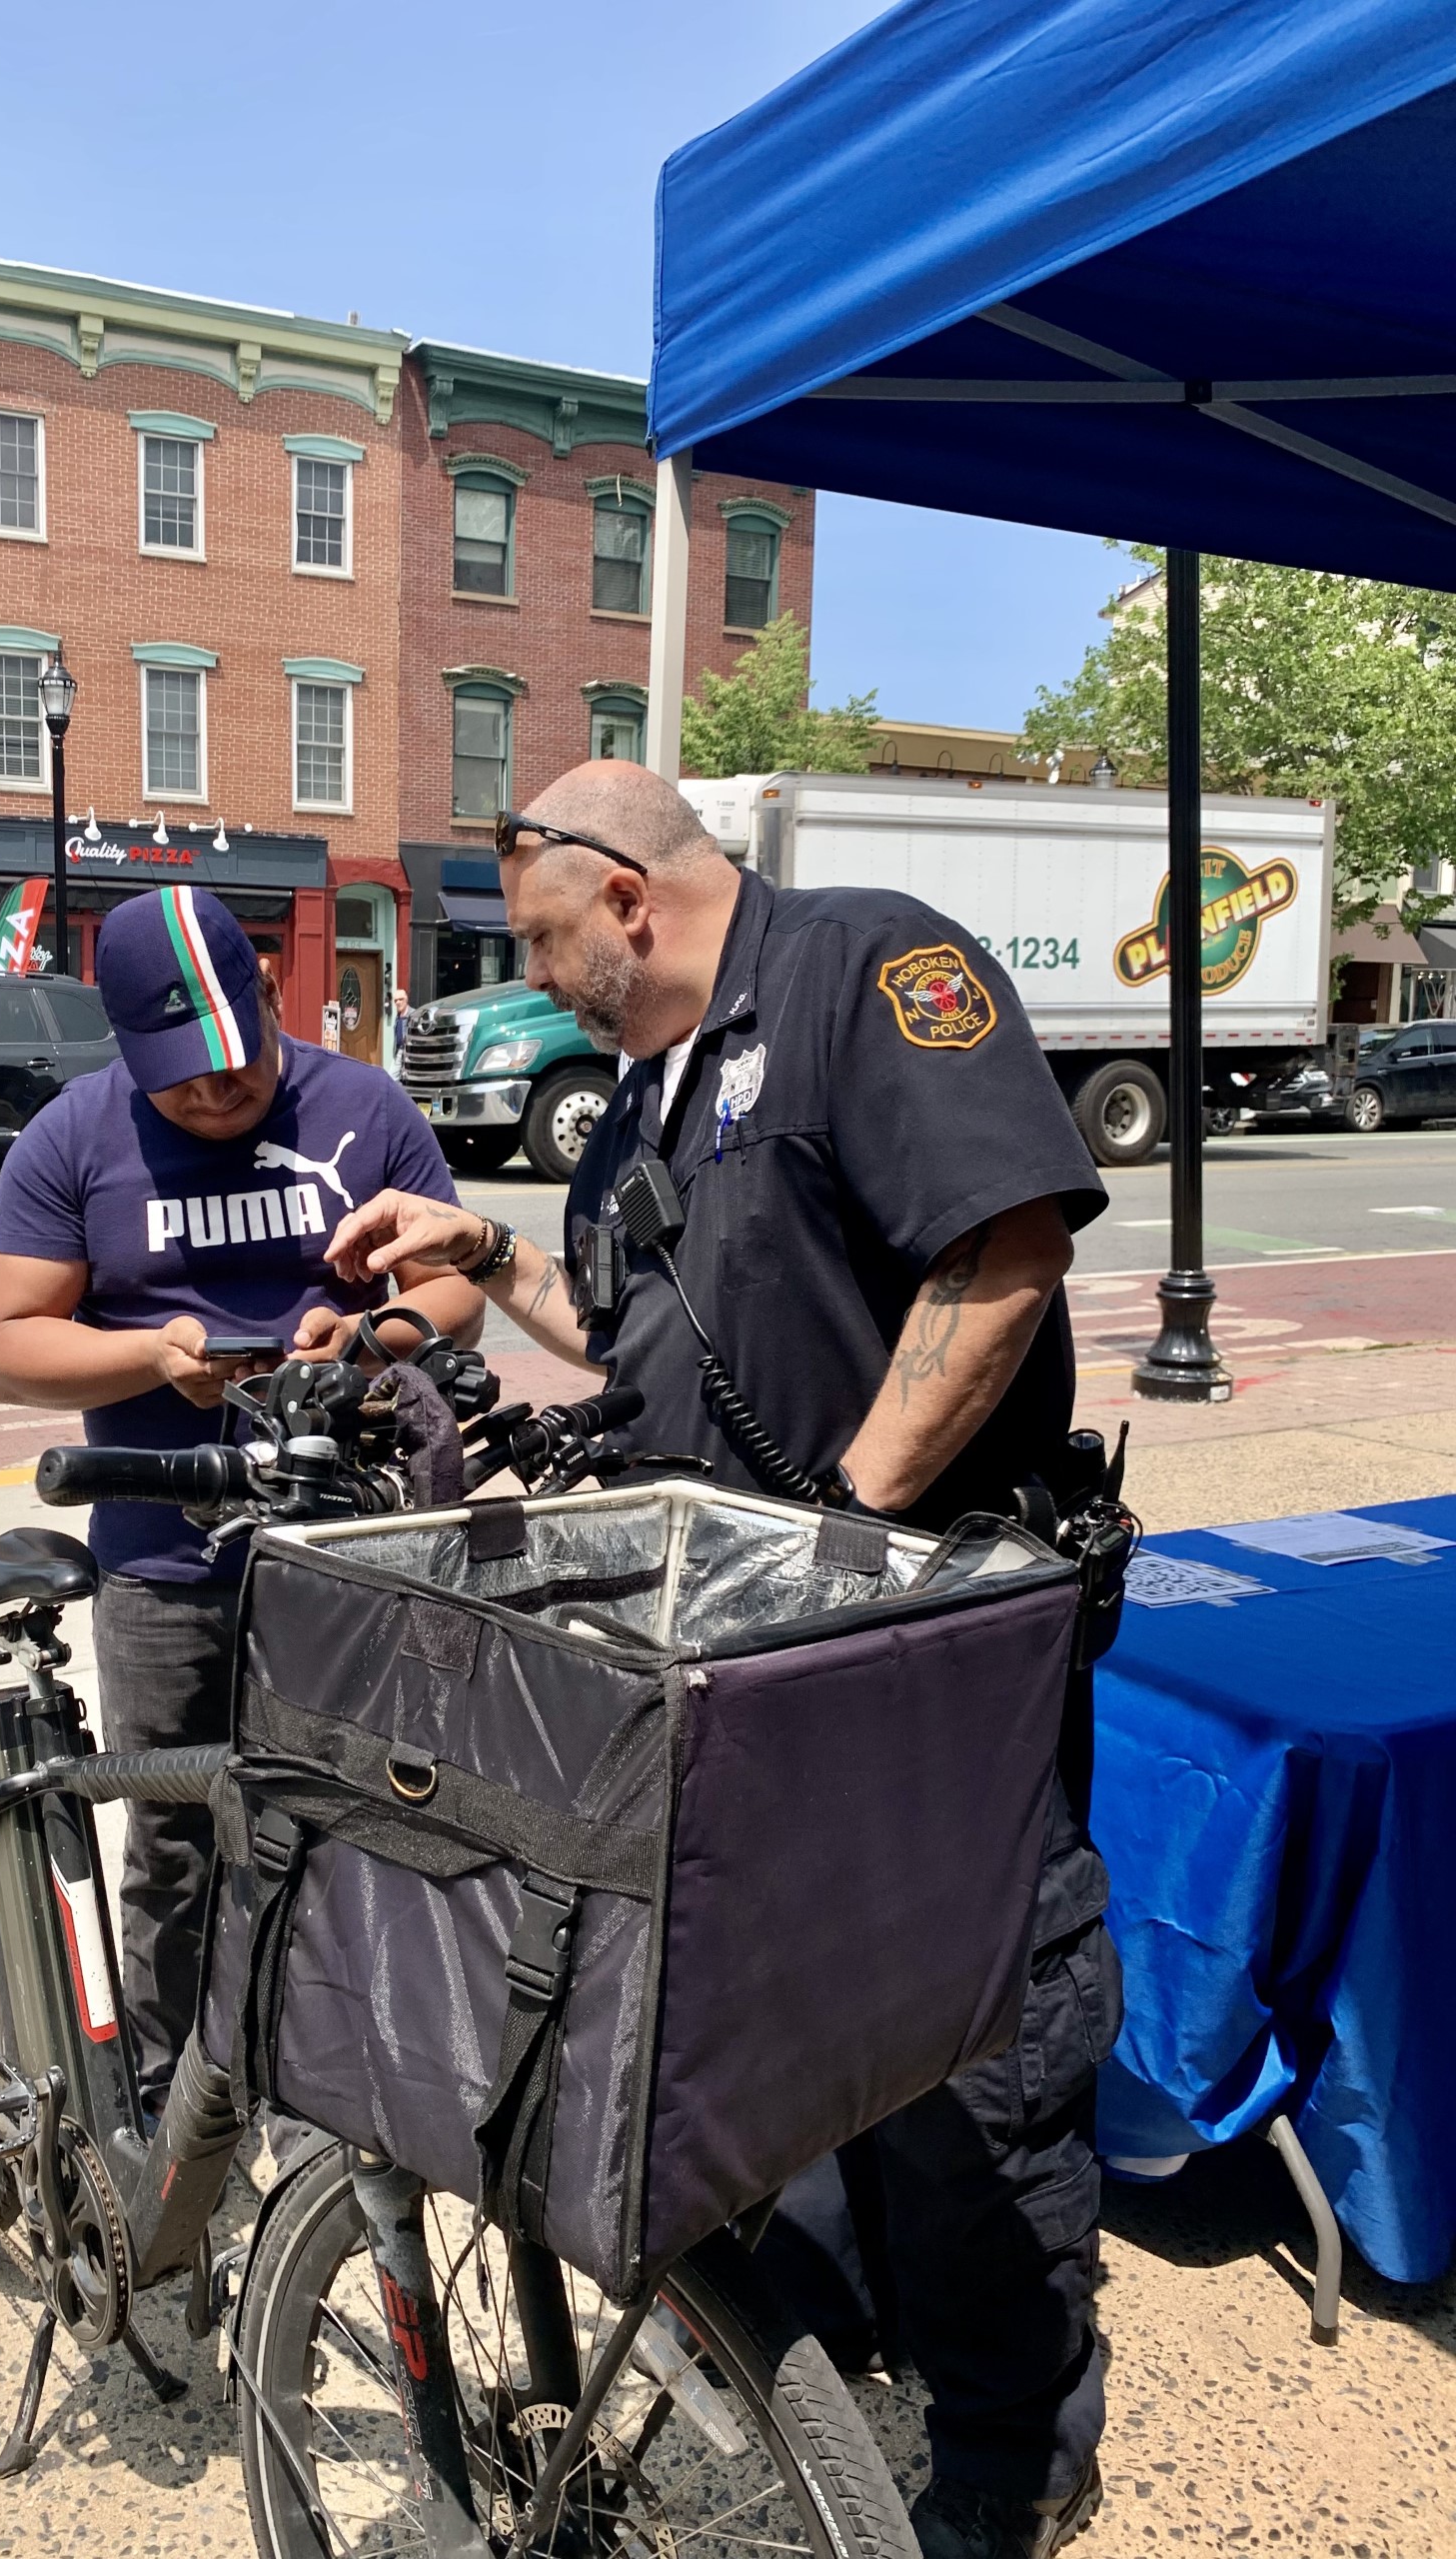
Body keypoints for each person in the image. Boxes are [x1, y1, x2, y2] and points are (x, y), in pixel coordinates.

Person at [325, 762, 1119, 2559]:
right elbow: (632, 1338)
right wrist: (482, 1252)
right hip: (755, 1681)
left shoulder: (860, 973)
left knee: (971, 2069)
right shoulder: (634, 1107)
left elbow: (1001, 1256)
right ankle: (846, 2368)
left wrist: (833, 1551)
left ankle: (1014, 2454)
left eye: (540, 940)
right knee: (803, 2046)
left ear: (625, 893)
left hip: (911, 1668)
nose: (532, 982)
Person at [0, 887, 480, 2118]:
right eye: (180, 1084)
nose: (211, 1100)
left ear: (268, 994)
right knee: (177, 1839)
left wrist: (361, 1340)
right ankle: (170, 2092)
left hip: (347, 1536)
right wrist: (151, 1358)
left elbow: (453, 1291)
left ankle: (330, 2071)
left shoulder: (363, 1106)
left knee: (359, 1813)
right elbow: (7, 1346)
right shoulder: (74, 1136)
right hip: (164, 1550)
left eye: (236, 1072)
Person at [391, 985, 410, 1074]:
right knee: (392, 1077)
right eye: (395, 1000)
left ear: (406, 1000)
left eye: (400, 999)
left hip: (409, 1053)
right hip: (399, 1051)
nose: (398, 1002)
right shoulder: (397, 1017)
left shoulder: (413, 1014)